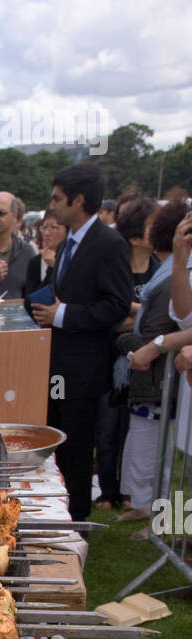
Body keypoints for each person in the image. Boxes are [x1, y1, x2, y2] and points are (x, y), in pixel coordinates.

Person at [29, 164, 133, 521]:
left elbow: (117, 306)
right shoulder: (70, 242)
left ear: (79, 200)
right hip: (57, 369)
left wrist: (62, 315)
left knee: (75, 451)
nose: (52, 206)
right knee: (56, 441)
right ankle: (56, 515)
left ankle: (75, 524)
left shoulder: (109, 244)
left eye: (57, 199)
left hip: (84, 373)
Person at [118, 201, 189, 530]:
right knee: (144, 447)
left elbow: (169, 323)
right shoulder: (169, 270)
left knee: (158, 453)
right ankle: (145, 507)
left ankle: (161, 521)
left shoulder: (175, 271)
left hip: (161, 378)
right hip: (153, 376)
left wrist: (140, 344)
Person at [92, 195, 157, 509]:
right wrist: (139, 313)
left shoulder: (159, 268)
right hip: (109, 363)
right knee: (108, 428)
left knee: (138, 432)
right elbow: (110, 316)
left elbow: (160, 321)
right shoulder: (115, 266)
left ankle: (133, 493)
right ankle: (108, 490)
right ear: (135, 236)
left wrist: (134, 315)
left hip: (147, 367)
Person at [24, 212, 67, 295]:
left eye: (54, 228)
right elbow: (30, 301)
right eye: (44, 227)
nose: (47, 233)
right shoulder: (36, 262)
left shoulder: (71, 259)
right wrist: (51, 270)